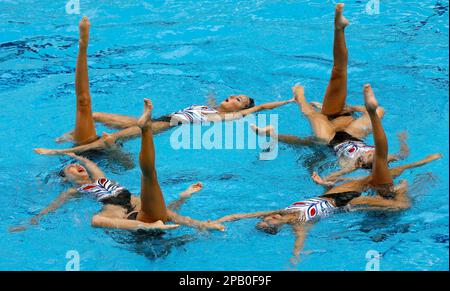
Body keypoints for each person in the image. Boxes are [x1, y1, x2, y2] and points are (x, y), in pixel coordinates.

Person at [213, 85, 442, 262]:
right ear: (278, 226)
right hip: (343, 204)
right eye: (269, 223)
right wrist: (295, 257)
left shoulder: (280, 211)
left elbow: (242, 215)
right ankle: (402, 186)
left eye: (265, 220)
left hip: (332, 192)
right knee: (397, 203)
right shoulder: (299, 224)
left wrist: (223, 219)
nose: (268, 218)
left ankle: (400, 184)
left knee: (373, 174)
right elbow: (299, 242)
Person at [33, 18, 294, 156]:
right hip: (153, 118)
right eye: (234, 95)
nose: (233, 98)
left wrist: (287, 102)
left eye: (238, 100)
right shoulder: (211, 107)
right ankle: (68, 137)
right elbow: (211, 96)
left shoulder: (229, 118)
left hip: (159, 126)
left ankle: (63, 152)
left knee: (109, 139)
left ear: (241, 109)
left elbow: (261, 107)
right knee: (96, 115)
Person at [11, 99, 225, 232]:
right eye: (70, 170)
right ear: (65, 178)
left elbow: (86, 161)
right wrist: (35, 220)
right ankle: (148, 226)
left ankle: (201, 224)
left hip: (141, 209)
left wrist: (74, 155)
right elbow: (53, 207)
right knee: (96, 220)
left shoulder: (101, 178)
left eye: (78, 167)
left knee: (167, 212)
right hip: (122, 216)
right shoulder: (75, 191)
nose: (78, 168)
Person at [250, 4, 408, 184]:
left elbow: (336, 177)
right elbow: (403, 155)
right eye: (374, 154)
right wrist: (402, 140)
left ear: (362, 163)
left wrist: (325, 182)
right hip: (352, 130)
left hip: (330, 136)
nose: (372, 153)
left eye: (369, 157)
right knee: (375, 109)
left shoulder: (351, 165)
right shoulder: (383, 158)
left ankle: (298, 97)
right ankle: (339, 28)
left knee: (314, 123)